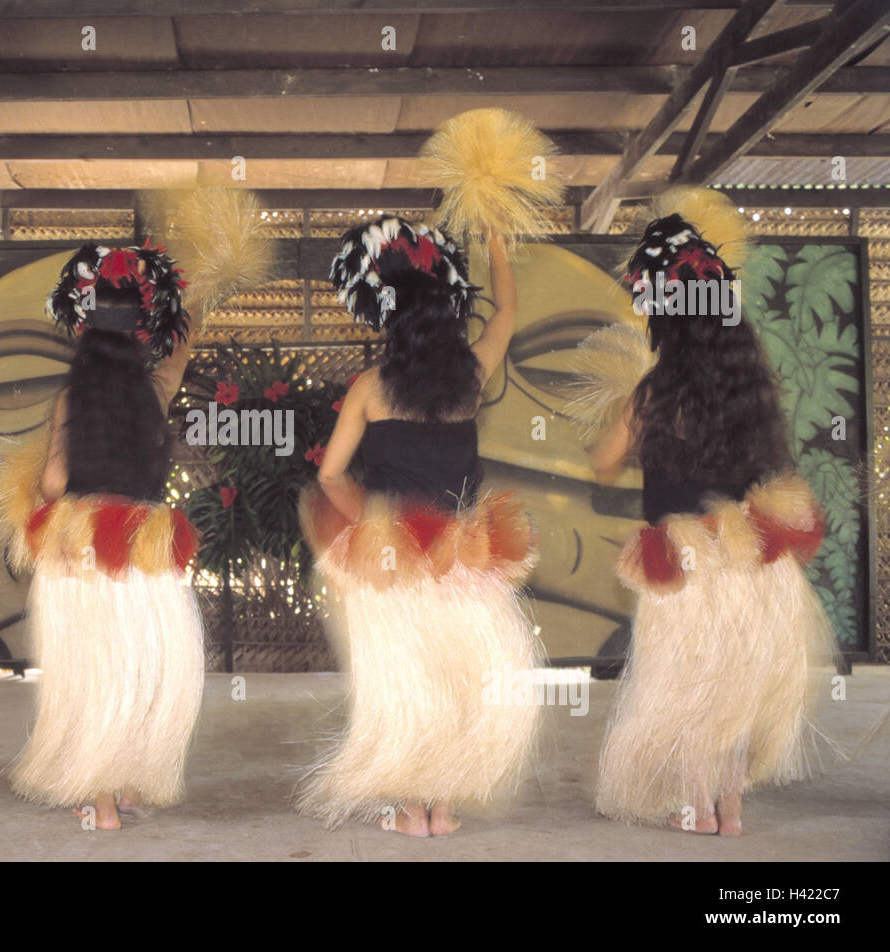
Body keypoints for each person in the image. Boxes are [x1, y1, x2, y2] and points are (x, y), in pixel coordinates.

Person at [588, 204, 832, 835]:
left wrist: (628, 429)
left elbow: (603, 465)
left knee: (689, 683)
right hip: (748, 557)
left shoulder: (653, 393)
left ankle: (696, 808)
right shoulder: (749, 387)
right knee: (732, 684)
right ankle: (730, 809)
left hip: (686, 561)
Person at [297, 217, 542, 837]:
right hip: (464, 556)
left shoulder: (370, 388)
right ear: (449, 311)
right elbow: (507, 312)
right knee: (461, 681)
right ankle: (445, 807)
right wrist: (493, 237)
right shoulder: (472, 375)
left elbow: (329, 476)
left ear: (392, 318)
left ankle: (410, 811)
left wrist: (372, 525)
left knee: (404, 685)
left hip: (392, 564)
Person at [0, 243, 204, 831]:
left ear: (83, 334)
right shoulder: (156, 389)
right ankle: (128, 787)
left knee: (93, 674)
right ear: (142, 333)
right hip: (144, 548)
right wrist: (187, 293)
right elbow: (184, 340)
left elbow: (54, 483)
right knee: (135, 669)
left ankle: (102, 806)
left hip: (81, 548)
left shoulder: (71, 398)